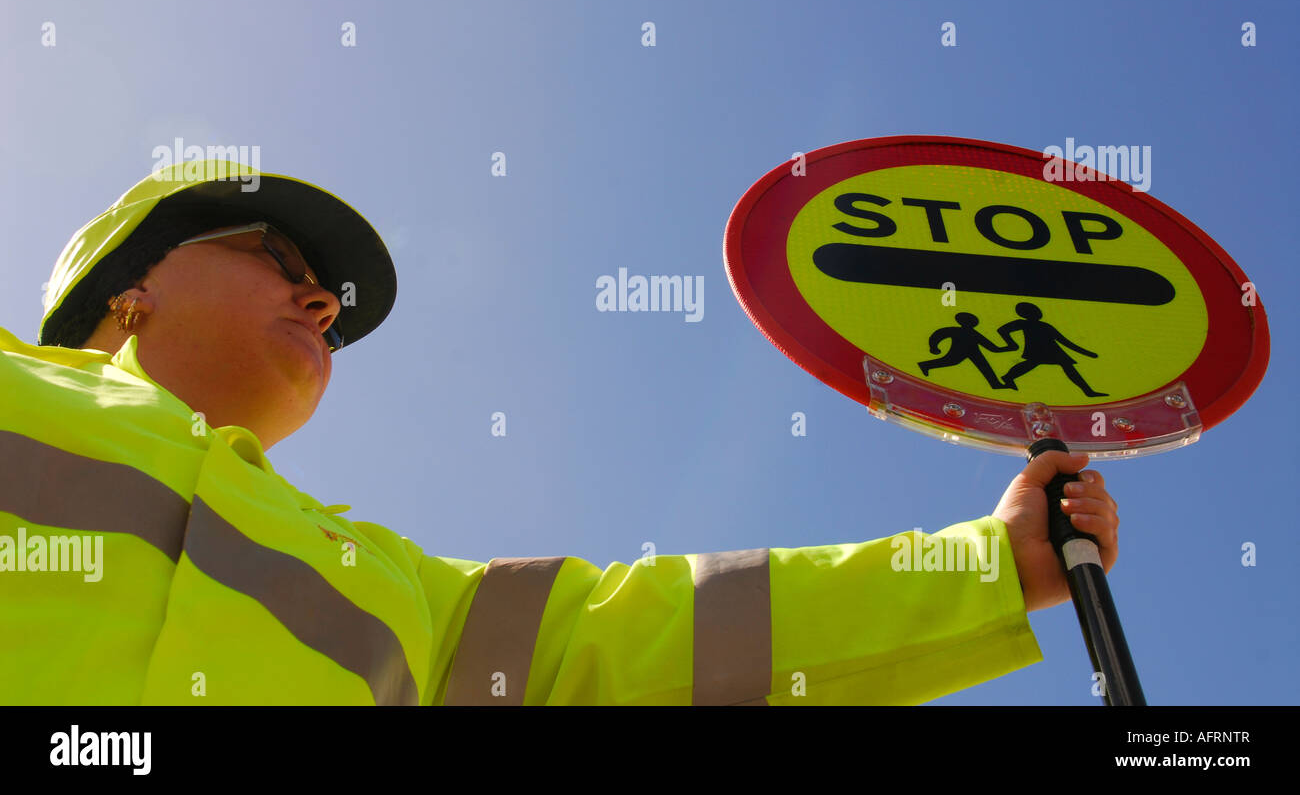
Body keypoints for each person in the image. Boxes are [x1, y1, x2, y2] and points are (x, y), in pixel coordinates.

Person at [0, 162, 1119, 705]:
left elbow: (648, 632)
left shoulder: (393, 585)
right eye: (280, 264)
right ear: (131, 284)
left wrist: (981, 569)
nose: (322, 303)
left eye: (327, 299)